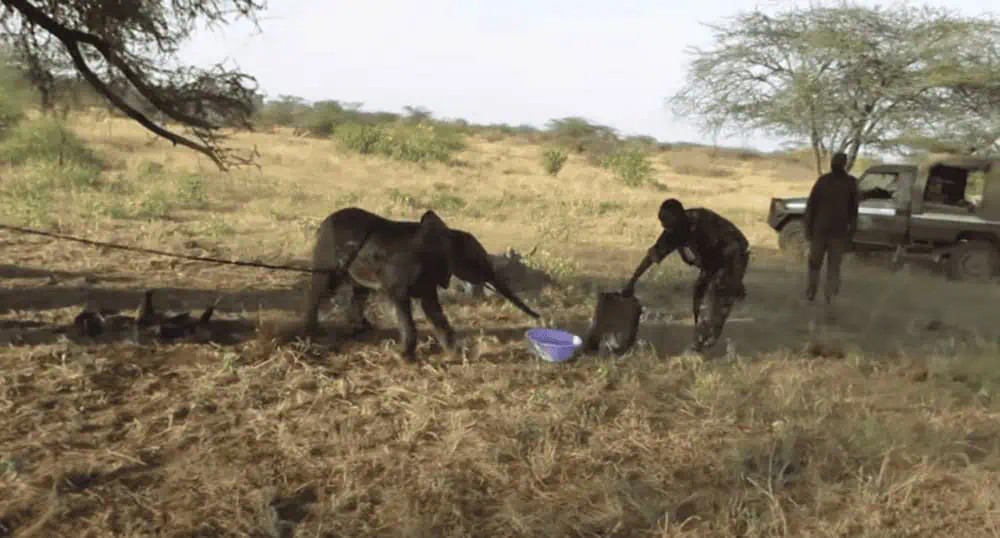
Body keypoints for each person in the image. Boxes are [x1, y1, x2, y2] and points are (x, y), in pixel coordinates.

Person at [621, 198, 750, 353]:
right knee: (699, 295)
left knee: (716, 295)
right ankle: (702, 336)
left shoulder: (703, 224)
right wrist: (632, 282)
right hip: (712, 263)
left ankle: (702, 345)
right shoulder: (672, 232)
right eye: (663, 223)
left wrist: (735, 280)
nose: (665, 227)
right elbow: (651, 257)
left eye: (668, 223)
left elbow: (733, 249)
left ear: (681, 218)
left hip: (732, 255)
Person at [803, 152, 859, 305]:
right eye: (835, 161)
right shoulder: (823, 181)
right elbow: (811, 206)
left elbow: (854, 210)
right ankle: (811, 292)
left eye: (838, 162)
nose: (835, 164)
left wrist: (851, 233)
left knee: (833, 265)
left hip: (837, 232)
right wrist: (808, 230)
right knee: (815, 263)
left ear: (843, 164)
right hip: (820, 231)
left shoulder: (850, 183)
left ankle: (830, 295)